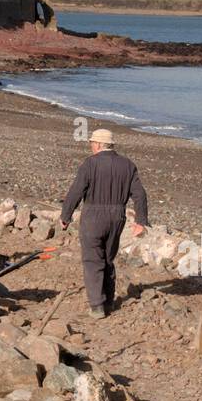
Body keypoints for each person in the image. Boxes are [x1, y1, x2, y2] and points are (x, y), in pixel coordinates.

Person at [60, 128, 148, 318]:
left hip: (93, 215)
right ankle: (108, 302)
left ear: (99, 144)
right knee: (108, 259)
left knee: (93, 260)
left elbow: (76, 191)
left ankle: (97, 306)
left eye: (92, 143)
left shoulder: (90, 164)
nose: (91, 146)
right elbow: (140, 194)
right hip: (117, 217)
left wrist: (65, 216)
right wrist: (141, 221)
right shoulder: (128, 165)